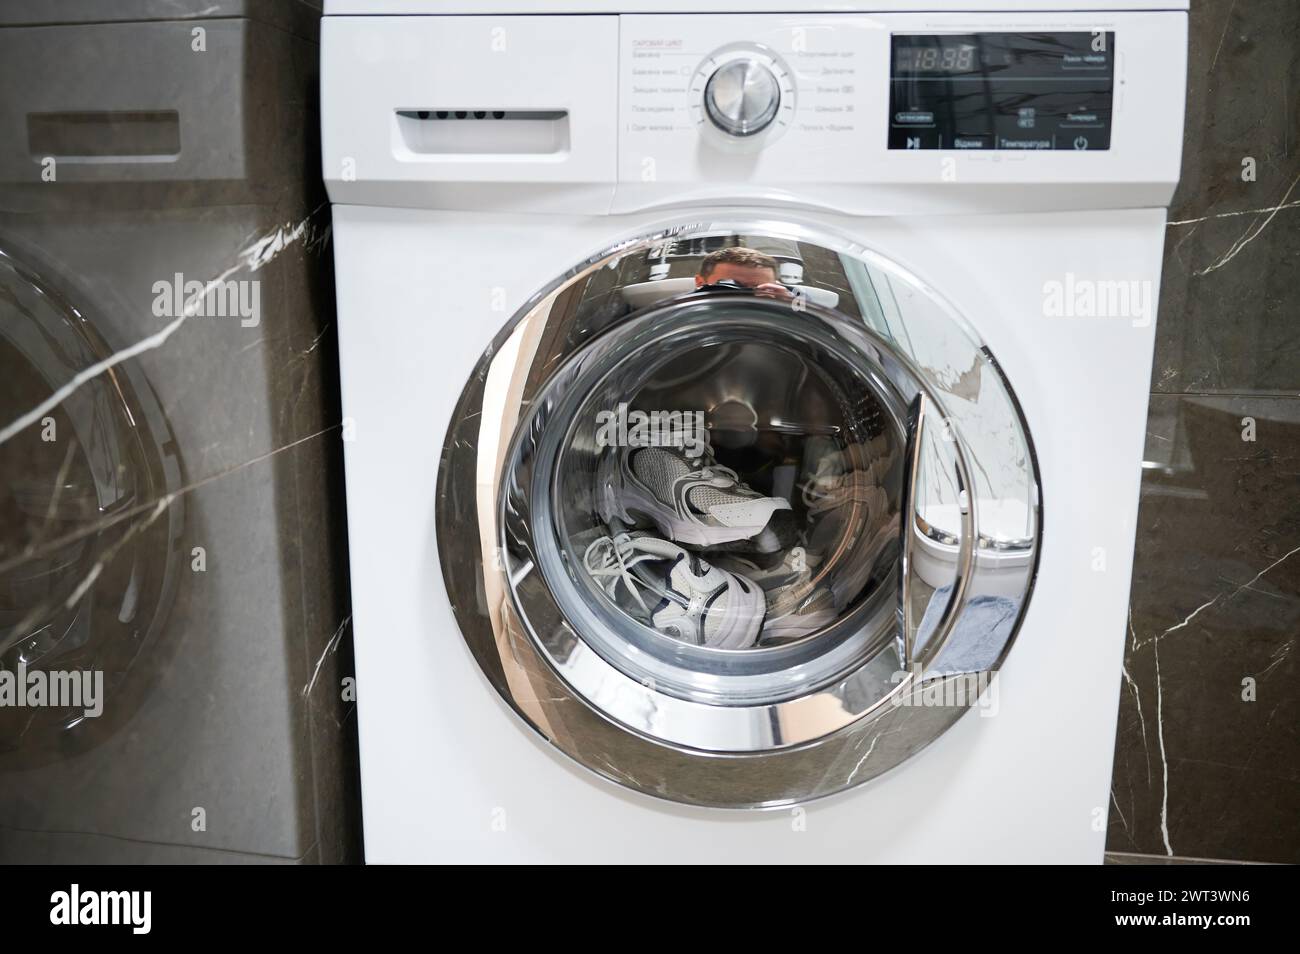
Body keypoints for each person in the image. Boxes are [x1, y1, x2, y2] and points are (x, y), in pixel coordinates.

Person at [693, 247, 794, 301]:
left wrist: (789, 308)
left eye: (758, 288)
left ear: (775, 286)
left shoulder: (787, 309)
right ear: (700, 283)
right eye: (731, 286)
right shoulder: (683, 312)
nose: (745, 296)